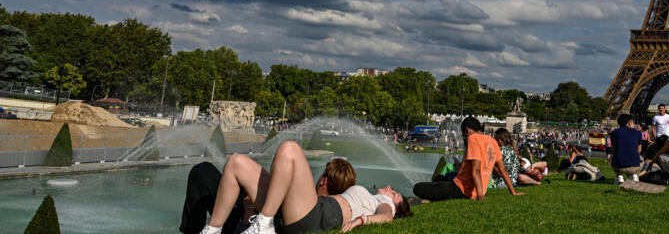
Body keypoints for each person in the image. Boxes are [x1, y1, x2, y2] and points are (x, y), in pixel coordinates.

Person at [199, 142, 409, 234]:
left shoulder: (385, 204)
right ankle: (212, 229)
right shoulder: (373, 197)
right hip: (302, 211)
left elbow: (386, 217)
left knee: (290, 149)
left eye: (395, 194)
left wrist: (362, 220)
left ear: (396, 204)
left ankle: (264, 225)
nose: (389, 188)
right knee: (236, 162)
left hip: (320, 215)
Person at [181, 155, 356, 233]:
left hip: (244, 219)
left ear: (323, 181)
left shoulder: (301, 211)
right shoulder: (325, 211)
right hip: (247, 208)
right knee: (202, 171)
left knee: (201, 173)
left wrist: (249, 208)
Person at [412, 117, 524, 201]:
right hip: (469, 186)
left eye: (464, 135)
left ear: (467, 130)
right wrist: (512, 192)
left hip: (461, 190)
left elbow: (476, 170)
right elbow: (503, 170)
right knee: (439, 178)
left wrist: (479, 195)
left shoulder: (473, 138)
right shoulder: (493, 141)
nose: (465, 138)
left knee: (417, 188)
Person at [608, 113, 643, 185]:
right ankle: (635, 175)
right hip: (634, 167)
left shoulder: (614, 133)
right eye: (633, 123)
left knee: (612, 156)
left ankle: (619, 176)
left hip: (618, 166)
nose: (634, 124)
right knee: (641, 158)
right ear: (629, 123)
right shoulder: (638, 133)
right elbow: (639, 150)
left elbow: (614, 150)